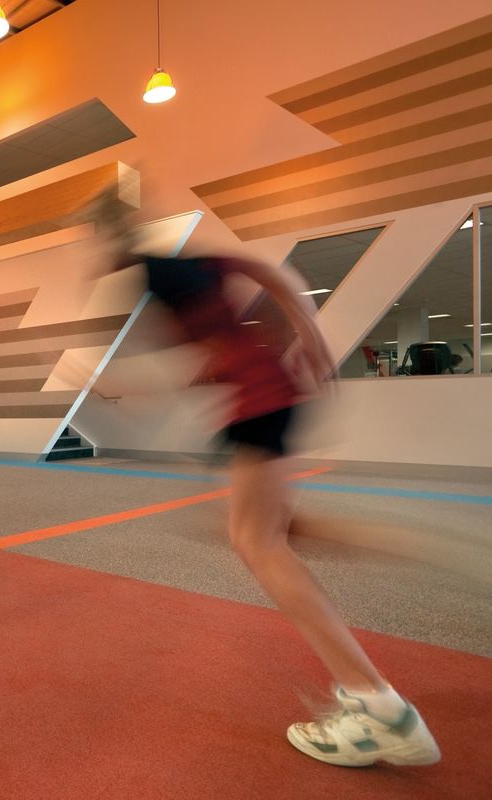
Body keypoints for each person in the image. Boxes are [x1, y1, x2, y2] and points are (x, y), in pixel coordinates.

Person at [94, 198, 440, 768]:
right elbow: (261, 284)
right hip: (267, 400)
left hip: (259, 407)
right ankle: (412, 549)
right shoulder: (187, 272)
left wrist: (303, 332)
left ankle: (380, 709)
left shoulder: (162, 278)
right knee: (279, 532)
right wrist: (305, 331)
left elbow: (218, 333)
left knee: (258, 543)